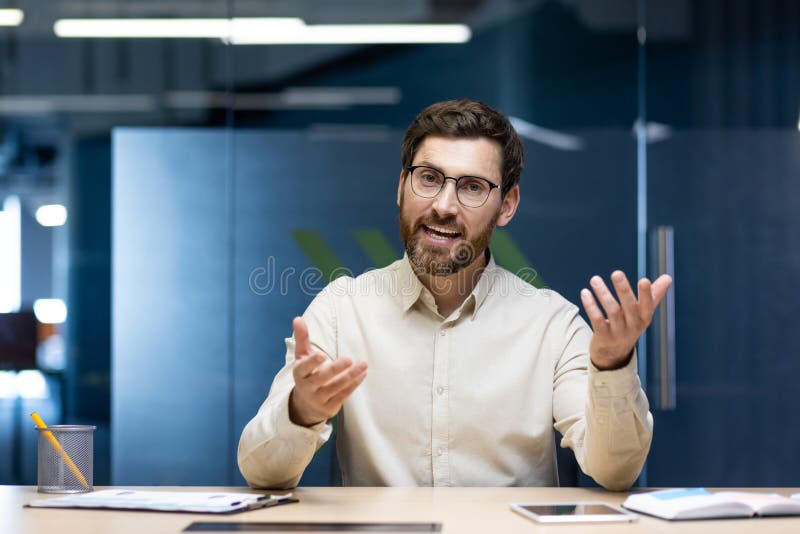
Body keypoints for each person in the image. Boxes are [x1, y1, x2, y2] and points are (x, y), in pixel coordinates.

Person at [238, 99, 671, 490]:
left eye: (472, 187)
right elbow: (260, 472)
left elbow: (615, 471)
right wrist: (302, 411)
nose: (444, 205)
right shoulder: (340, 311)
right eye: (428, 178)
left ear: (507, 205)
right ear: (400, 187)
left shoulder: (552, 325)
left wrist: (612, 365)